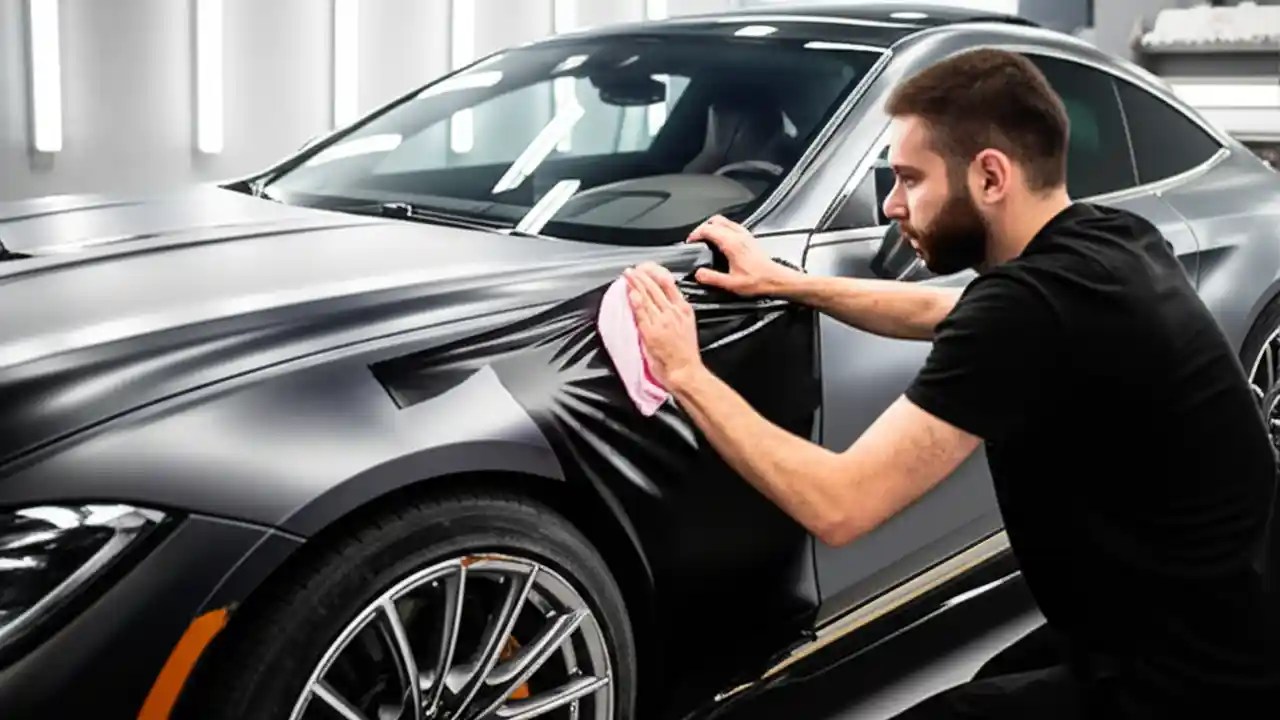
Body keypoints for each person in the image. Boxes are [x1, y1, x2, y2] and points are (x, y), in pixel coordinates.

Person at [621, 48, 1280, 718]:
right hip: (1217, 615)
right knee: (993, 681)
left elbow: (839, 505)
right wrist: (786, 282)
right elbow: (948, 312)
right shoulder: (1110, 241)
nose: (890, 203)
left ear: (991, 176)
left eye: (910, 179)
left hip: (1199, 680)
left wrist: (686, 372)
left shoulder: (1025, 309)